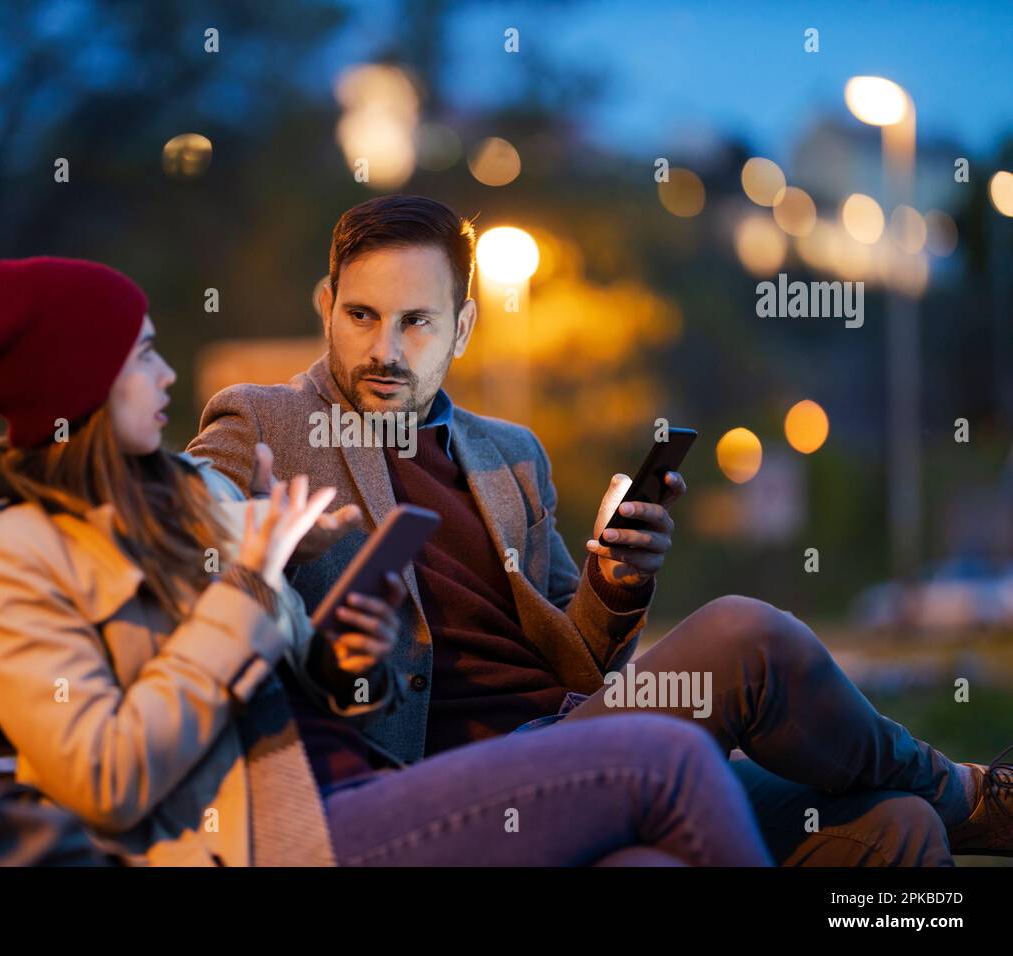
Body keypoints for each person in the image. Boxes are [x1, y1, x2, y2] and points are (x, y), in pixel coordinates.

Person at [187, 195, 1013, 865]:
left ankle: (943, 805)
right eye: (362, 316)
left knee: (900, 830)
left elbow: (579, 661)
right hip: (440, 787)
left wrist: (619, 582)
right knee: (744, 633)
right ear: (327, 307)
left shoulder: (509, 456)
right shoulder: (266, 421)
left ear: (463, 327)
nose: (386, 350)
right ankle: (976, 797)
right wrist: (245, 541)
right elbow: (180, 519)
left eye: (417, 322)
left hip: (571, 733)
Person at [0, 256, 774, 866]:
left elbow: (316, 675)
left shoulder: (183, 491)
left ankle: (915, 793)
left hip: (359, 785)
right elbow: (105, 776)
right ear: (79, 376)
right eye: (142, 353)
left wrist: (347, 646)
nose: (165, 371)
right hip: (271, 835)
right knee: (668, 757)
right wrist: (250, 590)